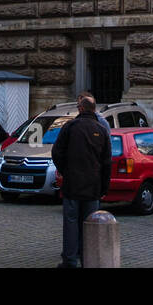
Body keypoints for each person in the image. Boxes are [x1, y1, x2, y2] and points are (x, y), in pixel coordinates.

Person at [51, 92, 112, 268]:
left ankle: (70, 261)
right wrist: (104, 187)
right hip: (93, 187)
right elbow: (107, 162)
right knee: (90, 224)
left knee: (71, 223)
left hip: (72, 185)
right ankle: (89, 259)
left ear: (80, 108)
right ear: (94, 110)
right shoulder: (101, 130)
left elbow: (57, 152)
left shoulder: (70, 127)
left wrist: (65, 171)